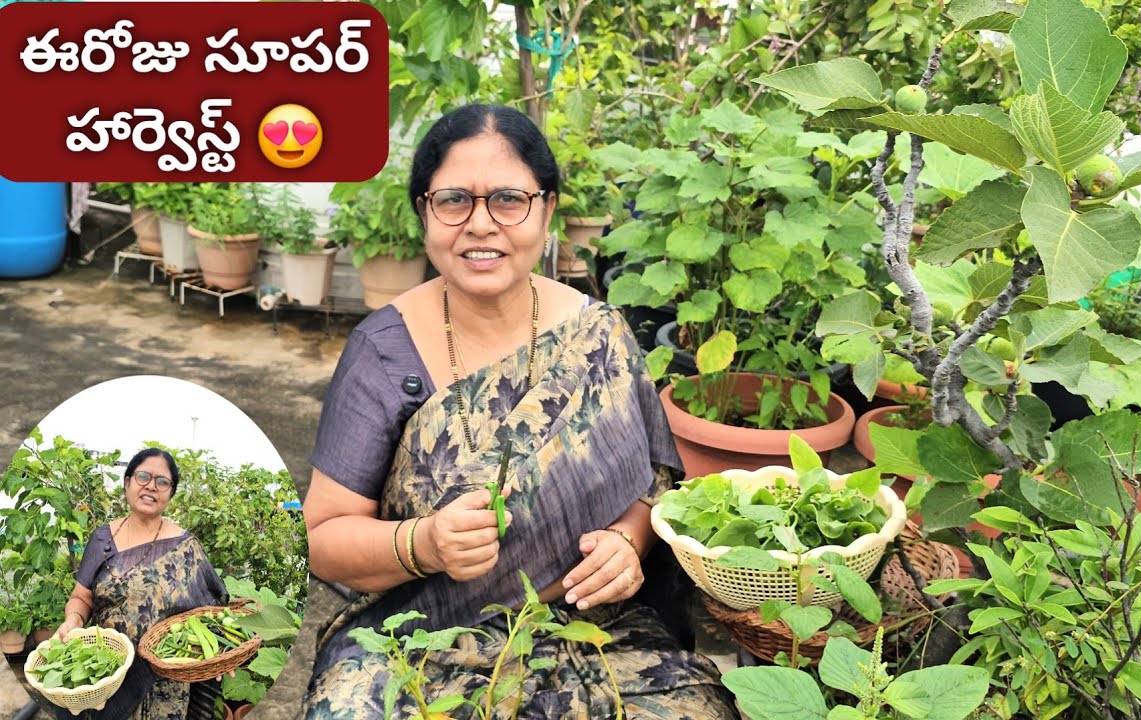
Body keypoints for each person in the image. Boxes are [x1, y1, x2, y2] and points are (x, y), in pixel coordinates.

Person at [301, 103, 736, 719]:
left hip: (593, 631)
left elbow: (652, 488)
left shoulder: (600, 336)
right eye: (453, 200)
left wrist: (625, 543)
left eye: (508, 199)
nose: (481, 224)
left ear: (547, 210)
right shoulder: (382, 350)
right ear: (425, 213)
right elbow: (323, 539)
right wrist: (424, 543)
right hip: (421, 638)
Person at [54, 447, 228, 720]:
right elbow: (81, 597)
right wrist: (73, 620)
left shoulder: (187, 547)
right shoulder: (102, 539)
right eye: (143, 476)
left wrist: (220, 650)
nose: (151, 487)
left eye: (162, 482)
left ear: (171, 492)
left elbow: (210, 613)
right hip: (104, 675)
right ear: (127, 482)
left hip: (165, 686)